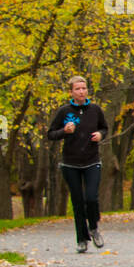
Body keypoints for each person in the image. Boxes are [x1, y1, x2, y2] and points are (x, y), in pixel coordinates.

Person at [46, 75, 109, 253]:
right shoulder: (64, 111)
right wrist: (64, 131)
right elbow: (51, 134)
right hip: (71, 163)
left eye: (84, 88)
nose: (81, 91)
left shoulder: (95, 110)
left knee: (91, 197)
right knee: (78, 202)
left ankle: (94, 228)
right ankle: (82, 239)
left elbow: (105, 127)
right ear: (71, 92)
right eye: (77, 89)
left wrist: (100, 135)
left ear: (87, 90)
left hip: (92, 161)